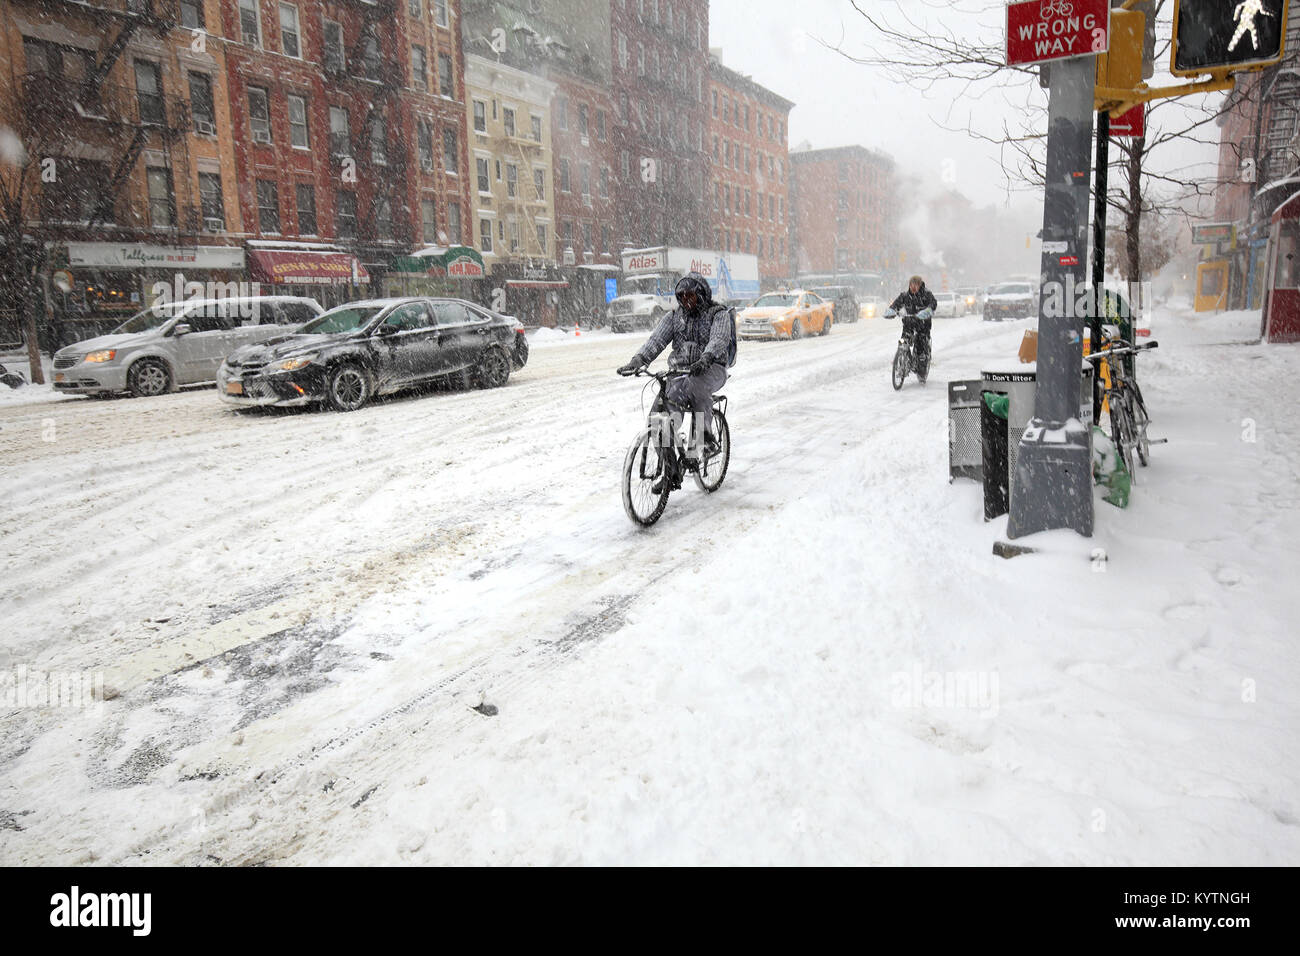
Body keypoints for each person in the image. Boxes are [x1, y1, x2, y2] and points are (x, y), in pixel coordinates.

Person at [617, 272, 731, 491]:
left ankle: (706, 439)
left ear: (701, 294)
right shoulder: (674, 318)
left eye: (691, 296)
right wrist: (638, 360)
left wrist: (706, 358)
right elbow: (657, 340)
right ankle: (672, 470)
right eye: (682, 297)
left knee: (696, 385)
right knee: (658, 417)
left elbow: (719, 339)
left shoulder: (718, 314)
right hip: (681, 370)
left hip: (712, 368)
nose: (686, 301)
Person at [884, 274, 937, 378]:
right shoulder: (904, 296)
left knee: (921, 346)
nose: (913, 287)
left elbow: (933, 304)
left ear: (920, 285)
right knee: (903, 341)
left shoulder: (927, 295)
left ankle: (921, 368)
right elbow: (895, 305)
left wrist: (927, 311)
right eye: (911, 284)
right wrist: (891, 311)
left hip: (923, 326)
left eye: (916, 285)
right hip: (909, 325)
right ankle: (902, 362)